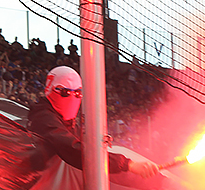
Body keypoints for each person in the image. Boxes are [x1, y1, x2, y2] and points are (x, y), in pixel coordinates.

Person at [27, 66, 159, 178]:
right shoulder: (43, 119)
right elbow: (73, 150)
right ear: (50, 89)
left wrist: (96, 141)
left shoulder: (67, 122)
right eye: (65, 92)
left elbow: (80, 141)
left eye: (78, 93)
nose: (72, 97)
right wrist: (127, 164)